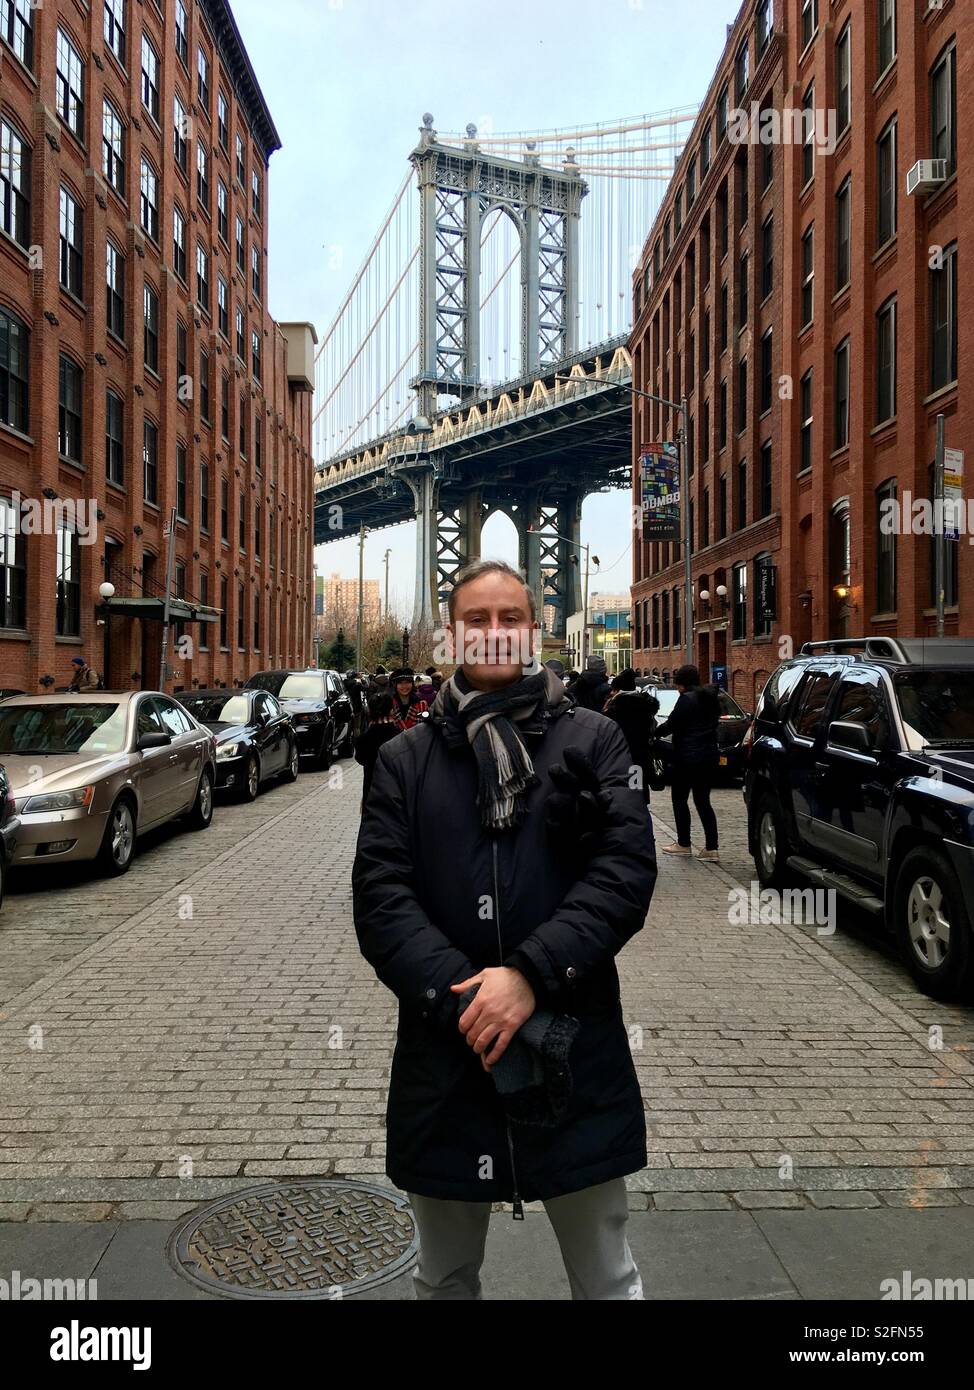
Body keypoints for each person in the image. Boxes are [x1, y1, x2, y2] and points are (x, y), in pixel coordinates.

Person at [352, 557, 657, 1300]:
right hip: (449, 1059)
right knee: (444, 1277)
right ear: (452, 634)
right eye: (477, 620)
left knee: (607, 1277)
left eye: (510, 618)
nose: (494, 634)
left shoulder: (596, 742)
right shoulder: (402, 760)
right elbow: (381, 899)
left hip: (571, 1052)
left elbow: (624, 877)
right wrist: (472, 1003)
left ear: (535, 630)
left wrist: (528, 977)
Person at [653, 663, 720, 861]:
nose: (676, 687)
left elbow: (672, 724)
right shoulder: (709, 699)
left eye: (677, 683)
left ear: (682, 683)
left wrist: (654, 733)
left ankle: (683, 843)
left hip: (687, 757)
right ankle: (712, 848)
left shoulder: (686, 700)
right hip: (708, 756)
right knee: (703, 801)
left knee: (680, 799)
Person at [602, 668, 659, 806]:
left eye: (613, 690)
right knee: (640, 799)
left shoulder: (614, 711)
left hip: (620, 760)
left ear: (618, 691)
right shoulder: (646, 708)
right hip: (641, 759)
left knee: (623, 799)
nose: (611, 693)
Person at [354, 692, 401, 809]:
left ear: (369, 711)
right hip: (397, 795)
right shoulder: (401, 737)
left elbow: (360, 759)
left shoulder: (363, 739)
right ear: (392, 710)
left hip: (371, 793)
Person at [388, 667, 429, 731]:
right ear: (395, 685)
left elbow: (426, 727)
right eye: (400, 683)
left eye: (407, 682)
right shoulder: (389, 704)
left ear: (412, 683)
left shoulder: (421, 704)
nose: (404, 686)